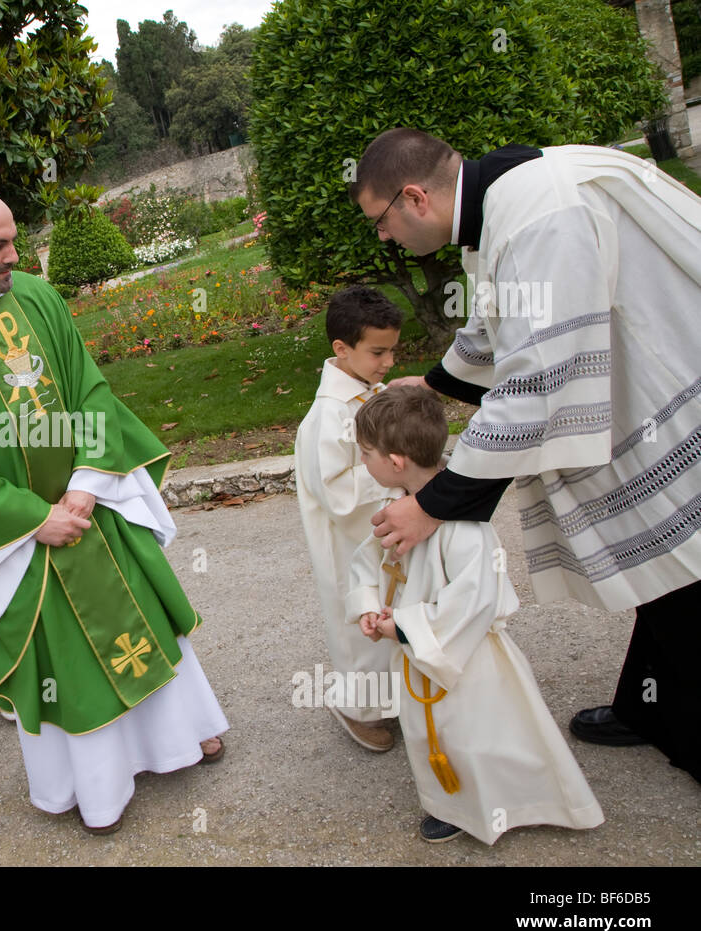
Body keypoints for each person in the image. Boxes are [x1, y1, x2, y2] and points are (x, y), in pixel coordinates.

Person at [350, 127, 701, 782]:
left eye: (381, 221)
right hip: (644, 380)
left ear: (415, 198)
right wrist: (433, 384)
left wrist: (435, 503)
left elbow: (535, 384)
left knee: (686, 569)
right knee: (668, 564)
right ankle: (651, 707)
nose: (385, 238)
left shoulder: (539, 218)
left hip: (669, 390)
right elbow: (498, 323)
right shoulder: (501, 199)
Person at [0, 188, 229, 832]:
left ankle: (183, 736)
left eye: (14, 240)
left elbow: (89, 386)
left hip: (88, 506)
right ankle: (98, 790)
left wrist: (88, 481)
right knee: (63, 666)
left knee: (144, 617)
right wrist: (30, 517)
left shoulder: (36, 296)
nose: (14, 256)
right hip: (22, 543)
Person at [346, 387, 603, 843]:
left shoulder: (464, 528)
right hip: (420, 649)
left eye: (367, 453)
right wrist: (369, 606)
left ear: (397, 461)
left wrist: (404, 626)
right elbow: (367, 563)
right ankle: (456, 802)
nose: (363, 461)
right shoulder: (399, 509)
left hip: (468, 658)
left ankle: (500, 805)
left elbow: (475, 600)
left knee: (476, 734)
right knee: (435, 733)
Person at [295, 285, 402, 752]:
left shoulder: (368, 394)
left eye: (393, 350)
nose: (389, 362)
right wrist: (393, 476)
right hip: (349, 542)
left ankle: (396, 697)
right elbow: (337, 494)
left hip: (383, 531)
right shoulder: (329, 416)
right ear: (342, 349)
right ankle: (358, 707)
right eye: (378, 352)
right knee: (360, 624)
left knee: (393, 613)